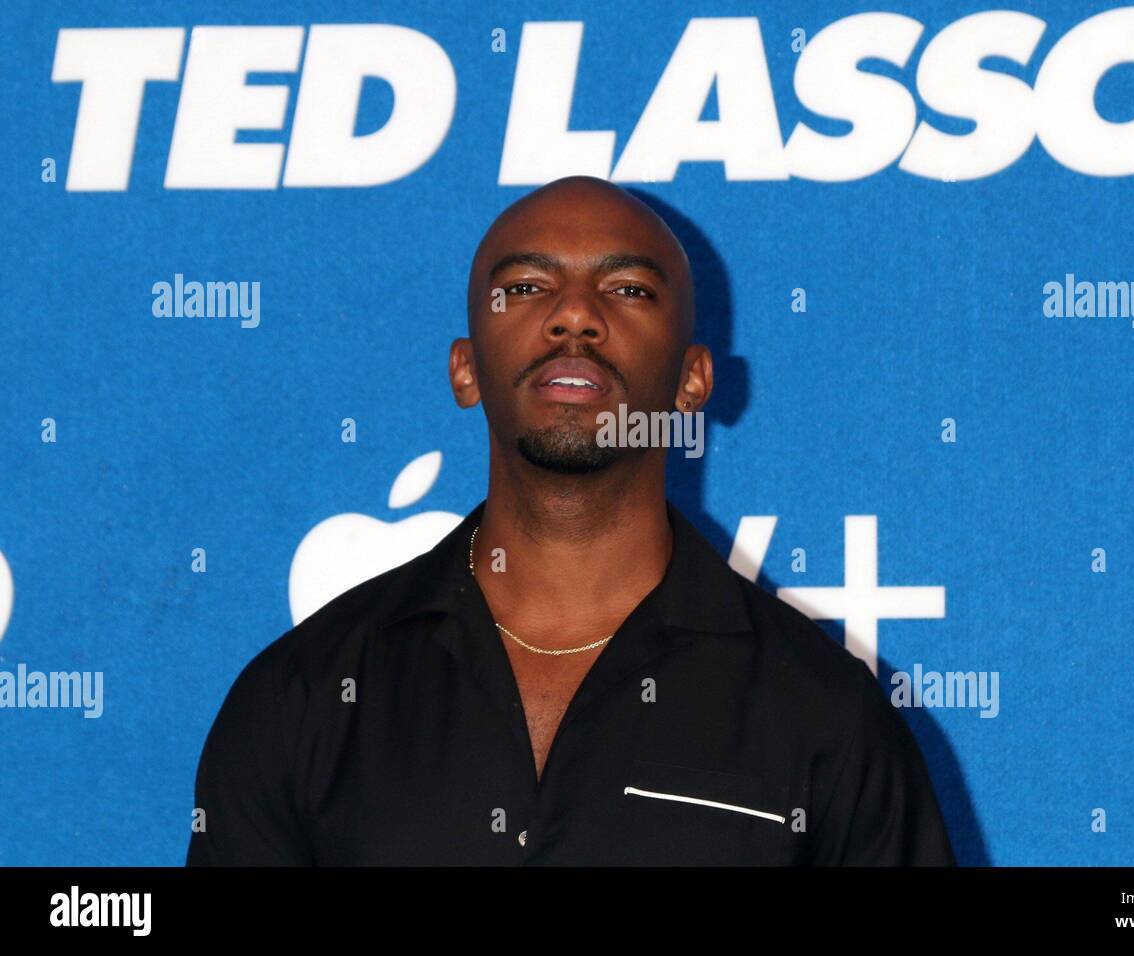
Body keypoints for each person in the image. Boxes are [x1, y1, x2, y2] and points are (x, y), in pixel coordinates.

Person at [186, 176, 956, 866]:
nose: (575, 316)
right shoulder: (304, 697)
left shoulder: (823, 714)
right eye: (525, 288)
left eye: (627, 290)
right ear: (464, 369)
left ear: (693, 381)